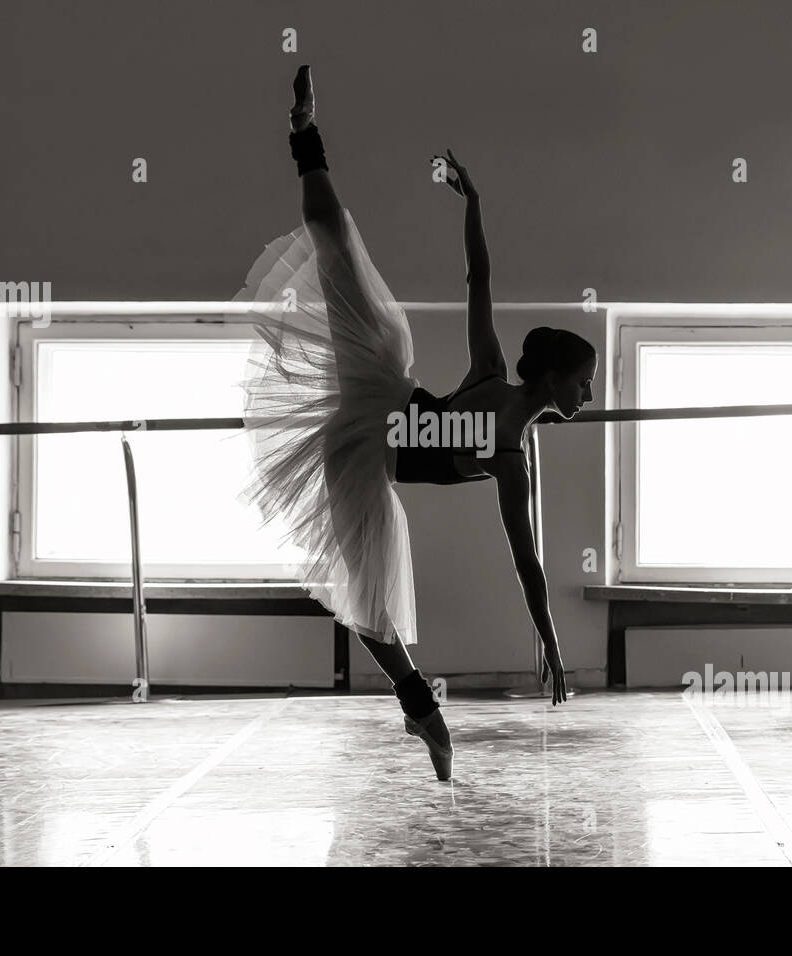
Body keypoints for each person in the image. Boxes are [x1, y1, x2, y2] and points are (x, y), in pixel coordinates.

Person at [234, 66, 597, 781]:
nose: (587, 396)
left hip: (364, 460)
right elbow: (479, 280)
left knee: (366, 603)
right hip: (382, 389)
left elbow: (526, 561)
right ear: (552, 378)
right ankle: (306, 135)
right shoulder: (492, 375)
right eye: (583, 384)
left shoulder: (511, 459)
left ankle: (420, 710)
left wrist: (551, 639)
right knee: (336, 246)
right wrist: (475, 202)